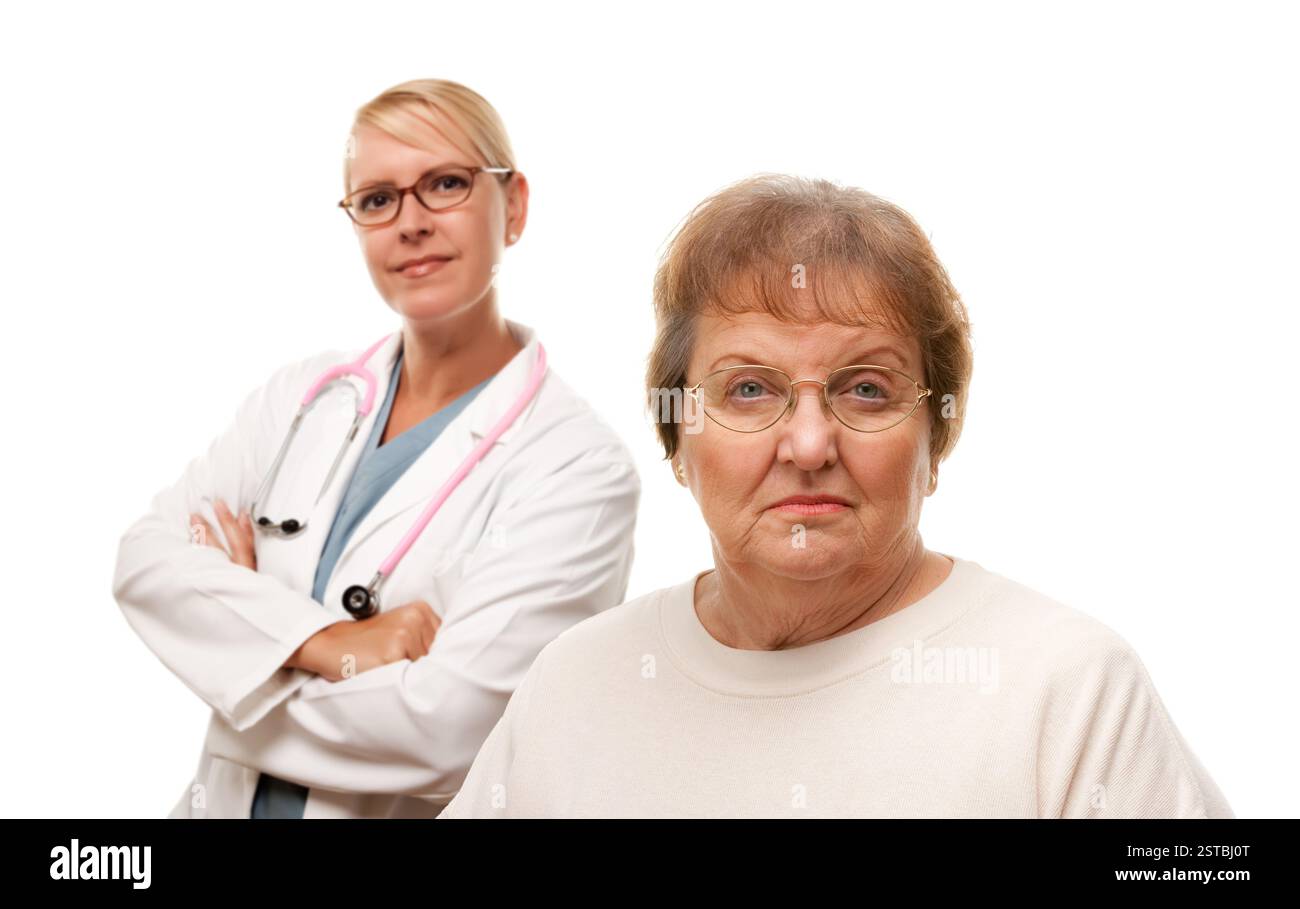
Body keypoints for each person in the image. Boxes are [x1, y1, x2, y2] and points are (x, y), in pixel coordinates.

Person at [439, 173, 1232, 818]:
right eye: (749, 389)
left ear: (936, 435)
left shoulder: (1067, 687)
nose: (811, 445)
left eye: (866, 389)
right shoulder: (576, 683)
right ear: (677, 434)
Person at [112, 78, 640, 818]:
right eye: (377, 199)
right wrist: (327, 642)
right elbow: (144, 562)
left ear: (513, 205)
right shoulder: (303, 398)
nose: (410, 222)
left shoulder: (577, 466)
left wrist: (237, 663)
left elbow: (446, 728)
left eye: (445, 184)